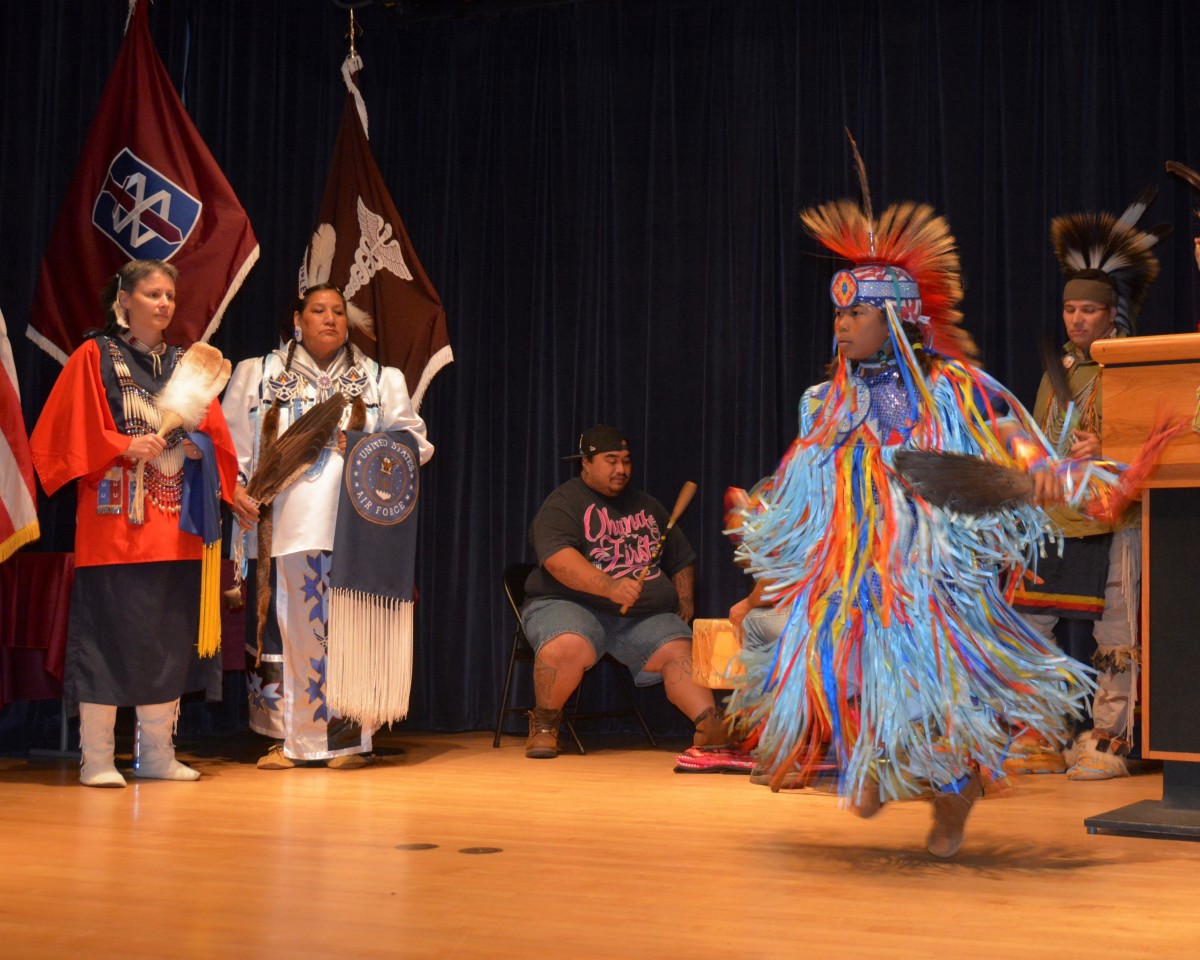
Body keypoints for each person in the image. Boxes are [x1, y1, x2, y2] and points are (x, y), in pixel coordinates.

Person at [725, 195, 1095, 857]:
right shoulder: (824, 401)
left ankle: (953, 795)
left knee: (932, 695)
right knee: (840, 675)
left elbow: (1013, 432)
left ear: (895, 319)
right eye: (838, 313)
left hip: (930, 577)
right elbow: (804, 480)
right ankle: (881, 763)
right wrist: (767, 515)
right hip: (854, 576)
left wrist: (1045, 469)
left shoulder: (953, 388)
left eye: (856, 313)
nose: (841, 324)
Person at [30, 259, 238, 788]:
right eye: (152, 294)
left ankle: (157, 753)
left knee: (168, 640)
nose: (164, 303)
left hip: (176, 525)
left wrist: (198, 446)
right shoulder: (93, 356)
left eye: (170, 295)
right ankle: (97, 757)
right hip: (116, 525)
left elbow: (217, 438)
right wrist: (121, 443)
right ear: (124, 300)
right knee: (108, 637)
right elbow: (61, 434)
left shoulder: (187, 366)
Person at [223, 283, 432, 770]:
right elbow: (231, 446)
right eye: (318, 310)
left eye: (338, 311)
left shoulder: (379, 379)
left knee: (353, 630)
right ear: (298, 320)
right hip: (287, 525)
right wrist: (234, 490)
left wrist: (361, 445)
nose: (330, 318)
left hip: (359, 528)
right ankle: (297, 742)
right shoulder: (259, 374)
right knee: (296, 631)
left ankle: (349, 744)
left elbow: (416, 446)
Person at [1012, 196, 1165, 780]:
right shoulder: (1057, 374)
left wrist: (1108, 448)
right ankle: (1040, 732)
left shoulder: (1130, 368)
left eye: (1088, 311)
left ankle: (1110, 737)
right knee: (1032, 625)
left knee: (1115, 633)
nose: (1077, 320)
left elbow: (1154, 443)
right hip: (1052, 518)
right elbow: (1039, 436)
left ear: (1111, 314)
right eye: (1069, 309)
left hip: (1111, 518)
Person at [521, 424, 726, 759]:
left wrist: (685, 598)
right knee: (567, 643)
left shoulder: (647, 505)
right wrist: (610, 587)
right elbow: (558, 560)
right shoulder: (563, 503)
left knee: (680, 650)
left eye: (626, 461)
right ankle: (544, 724)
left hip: (642, 616)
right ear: (586, 463)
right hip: (569, 604)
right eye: (611, 460)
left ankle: (710, 724)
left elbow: (680, 557)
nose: (621, 469)